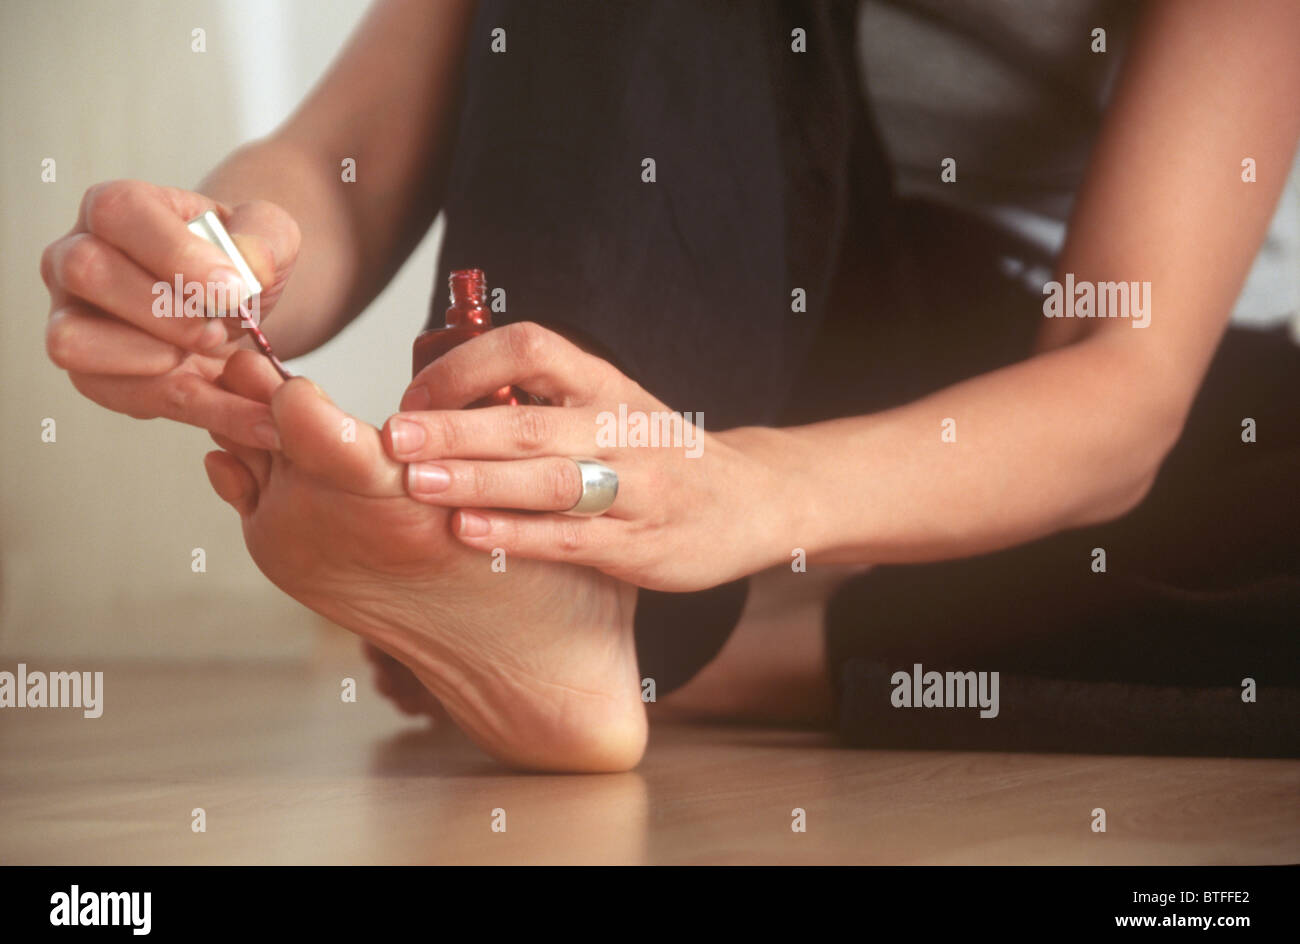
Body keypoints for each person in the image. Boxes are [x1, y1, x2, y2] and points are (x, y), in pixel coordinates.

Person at [41, 0, 1300, 771]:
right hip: (691, 344)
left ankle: (719, 645)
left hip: (1012, 411)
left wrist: (752, 488)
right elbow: (341, 158)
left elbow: (1117, 382)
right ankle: (555, 570)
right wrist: (227, 265)